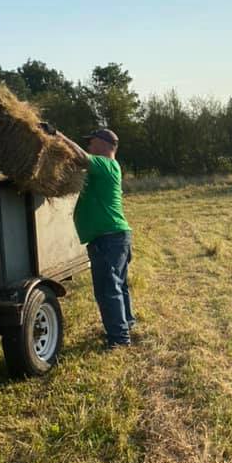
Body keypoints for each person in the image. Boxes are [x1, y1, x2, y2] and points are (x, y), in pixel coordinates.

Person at [47, 125, 135, 349]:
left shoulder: (105, 164)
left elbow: (81, 157)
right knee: (118, 286)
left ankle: (119, 339)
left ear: (104, 144)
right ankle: (126, 326)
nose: (88, 145)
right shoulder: (109, 168)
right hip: (115, 237)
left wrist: (57, 135)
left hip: (108, 239)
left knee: (108, 289)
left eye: (91, 141)